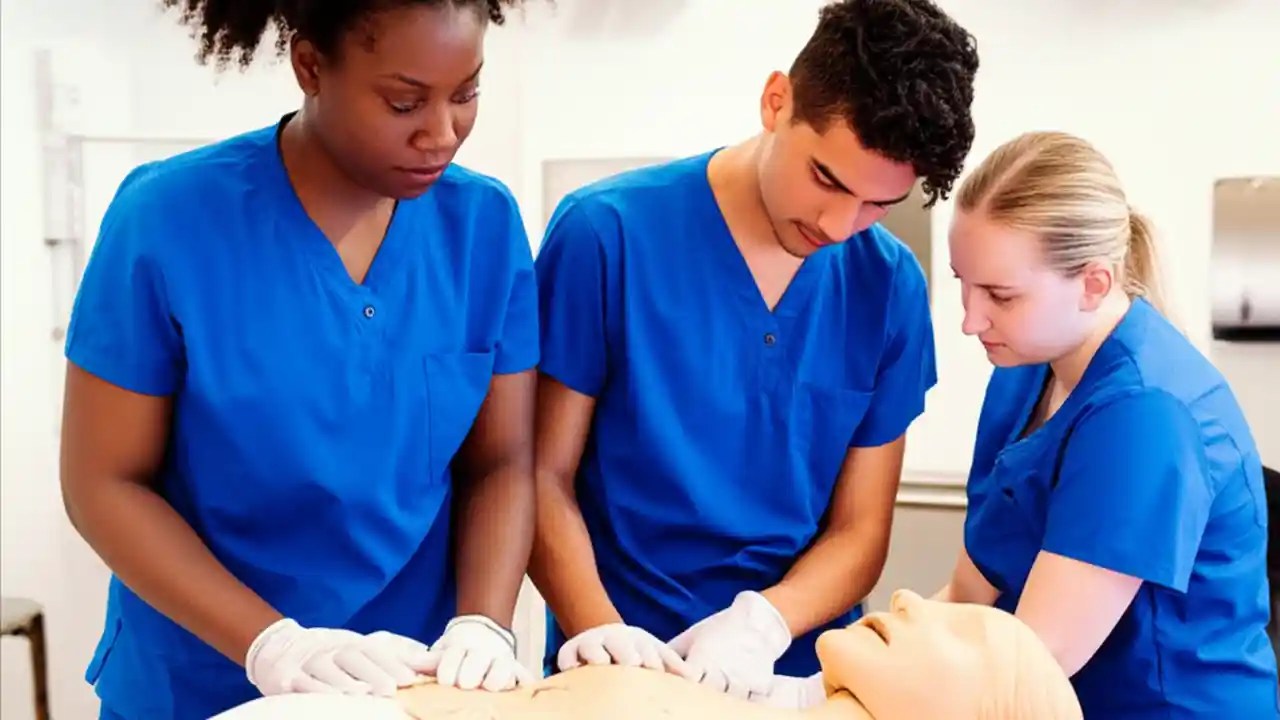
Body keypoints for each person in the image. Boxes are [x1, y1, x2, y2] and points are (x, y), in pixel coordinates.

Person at [59, 1, 539, 718]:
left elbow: (501, 463)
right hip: (202, 678)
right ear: (311, 67)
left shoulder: (483, 225)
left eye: (466, 92)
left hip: (407, 680)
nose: (442, 134)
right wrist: (273, 644)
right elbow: (104, 483)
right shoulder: (169, 220)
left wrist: (483, 621)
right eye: (404, 101)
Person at [528, 0, 980, 702]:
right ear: (777, 101)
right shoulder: (605, 236)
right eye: (827, 178)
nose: (838, 225)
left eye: (876, 205)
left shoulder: (886, 287)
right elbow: (540, 479)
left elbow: (860, 531)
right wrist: (607, 645)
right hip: (618, 660)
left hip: (791, 677)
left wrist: (763, 624)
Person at [938, 130, 1280, 717]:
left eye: (999, 294)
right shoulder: (1025, 372)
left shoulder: (1147, 416)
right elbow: (969, 593)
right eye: (962, 285)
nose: (971, 320)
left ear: (1093, 284)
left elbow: (1038, 659)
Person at [211, 588, 1083, 720]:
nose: (908, 597)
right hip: (360, 692)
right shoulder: (788, 697)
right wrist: (595, 653)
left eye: (965, 628)